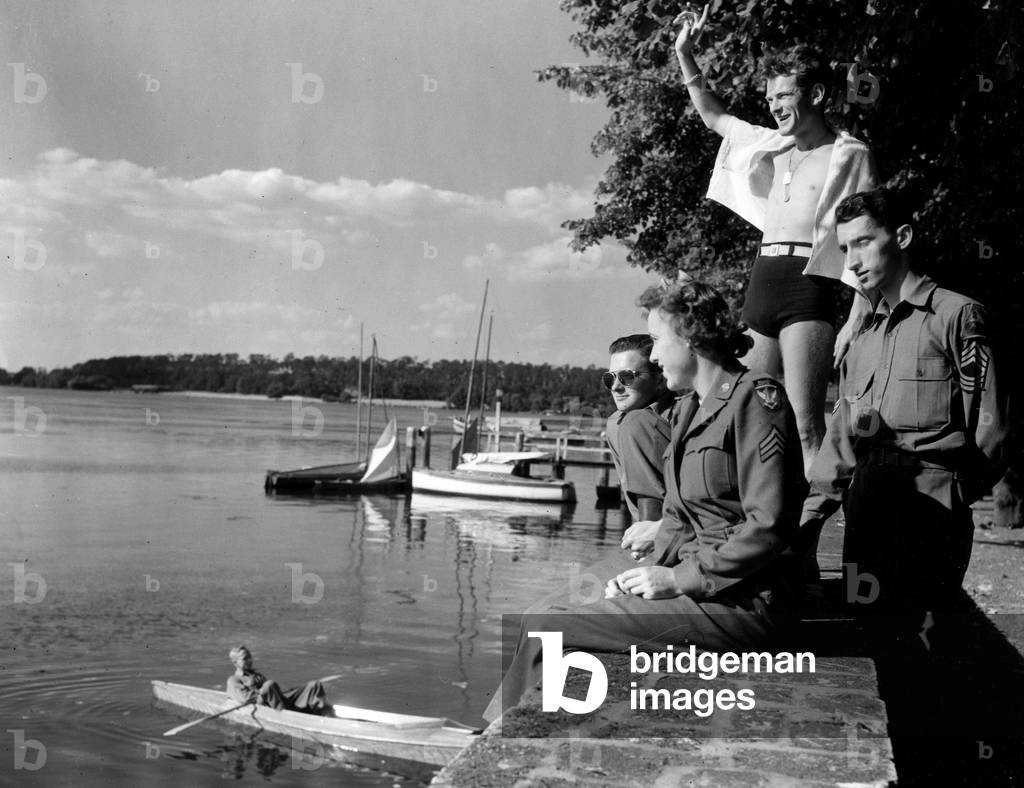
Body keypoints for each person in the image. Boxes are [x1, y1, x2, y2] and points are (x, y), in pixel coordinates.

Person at [482, 280, 807, 721]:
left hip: (745, 601)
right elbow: (680, 517)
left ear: (690, 337)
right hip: (695, 577)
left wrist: (679, 579)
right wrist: (644, 570)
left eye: (657, 341)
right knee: (540, 612)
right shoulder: (693, 407)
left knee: (549, 628)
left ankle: (506, 742)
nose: (652, 356)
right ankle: (500, 732)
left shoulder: (755, 398)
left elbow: (768, 525)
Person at [673, 6, 878, 471]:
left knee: (805, 424)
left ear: (818, 94)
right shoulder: (769, 146)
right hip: (763, 279)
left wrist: (857, 317)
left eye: (784, 96)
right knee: (752, 414)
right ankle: (761, 530)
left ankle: (808, 539)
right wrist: (684, 51)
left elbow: (865, 240)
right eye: (770, 99)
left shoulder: (850, 155)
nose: (775, 106)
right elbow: (713, 116)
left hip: (809, 287)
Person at [799, 187, 1009, 618]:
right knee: (868, 633)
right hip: (864, 513)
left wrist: (954, 495)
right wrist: (812, 516)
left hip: (929, 514)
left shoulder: (958, 315)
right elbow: (842, 437)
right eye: (844, 248)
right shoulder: (861, 337)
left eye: (863, 242)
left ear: (904, 237)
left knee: (930, 649)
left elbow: (993, 425)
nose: (852, 261)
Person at [603, 334, 677, 523]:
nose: (616, 387)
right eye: (609, 378)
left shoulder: (686, 418)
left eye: (627, 377)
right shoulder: (615, 424)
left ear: (660, 379)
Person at [226, 645, 331, 715]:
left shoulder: (257, 676)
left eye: (250, 657)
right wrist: (265, 689)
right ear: (235, 662)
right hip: (270, 707)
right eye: (245, 658)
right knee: (269, 684)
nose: (249, 660)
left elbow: (275, 695)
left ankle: (322, 712)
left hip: (280, 702)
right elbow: (246, 699)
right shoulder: (233, 680)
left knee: (314, 685)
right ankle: (288, 716)